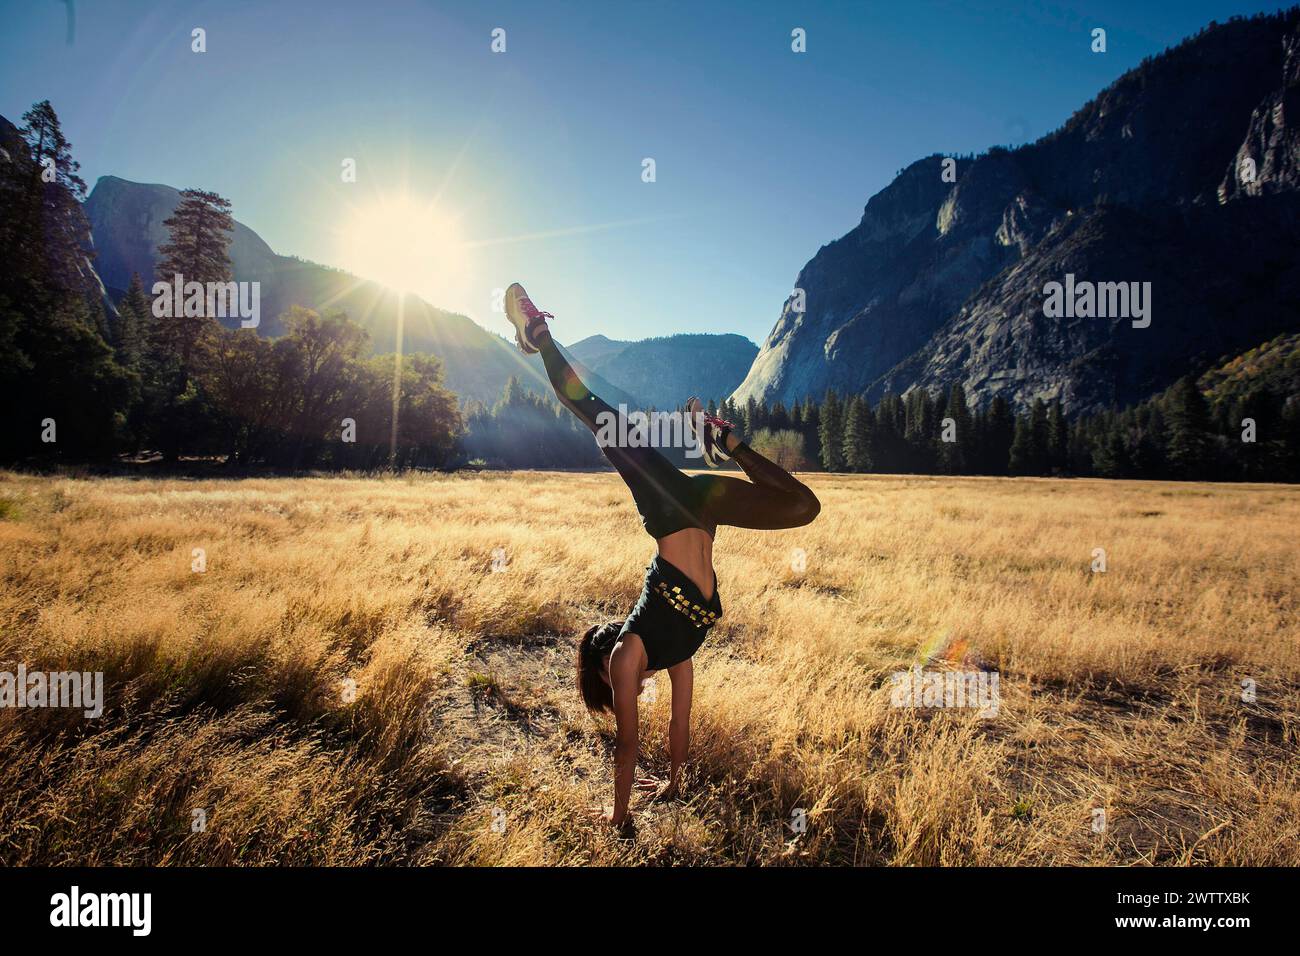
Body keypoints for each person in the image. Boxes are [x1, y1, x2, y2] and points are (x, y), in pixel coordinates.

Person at [503, 282, 821, 832]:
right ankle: (729, 443)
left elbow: (628, 747)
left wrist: (617, 815)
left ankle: (537, 335)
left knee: (595, 412)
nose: (630, 691)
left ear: (606, 668)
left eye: (616, 688)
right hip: (700, 506)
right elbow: (682, 719)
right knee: (802, 508)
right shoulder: (674, 652)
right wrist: (675, 779)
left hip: (664, 502)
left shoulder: (629, 653)